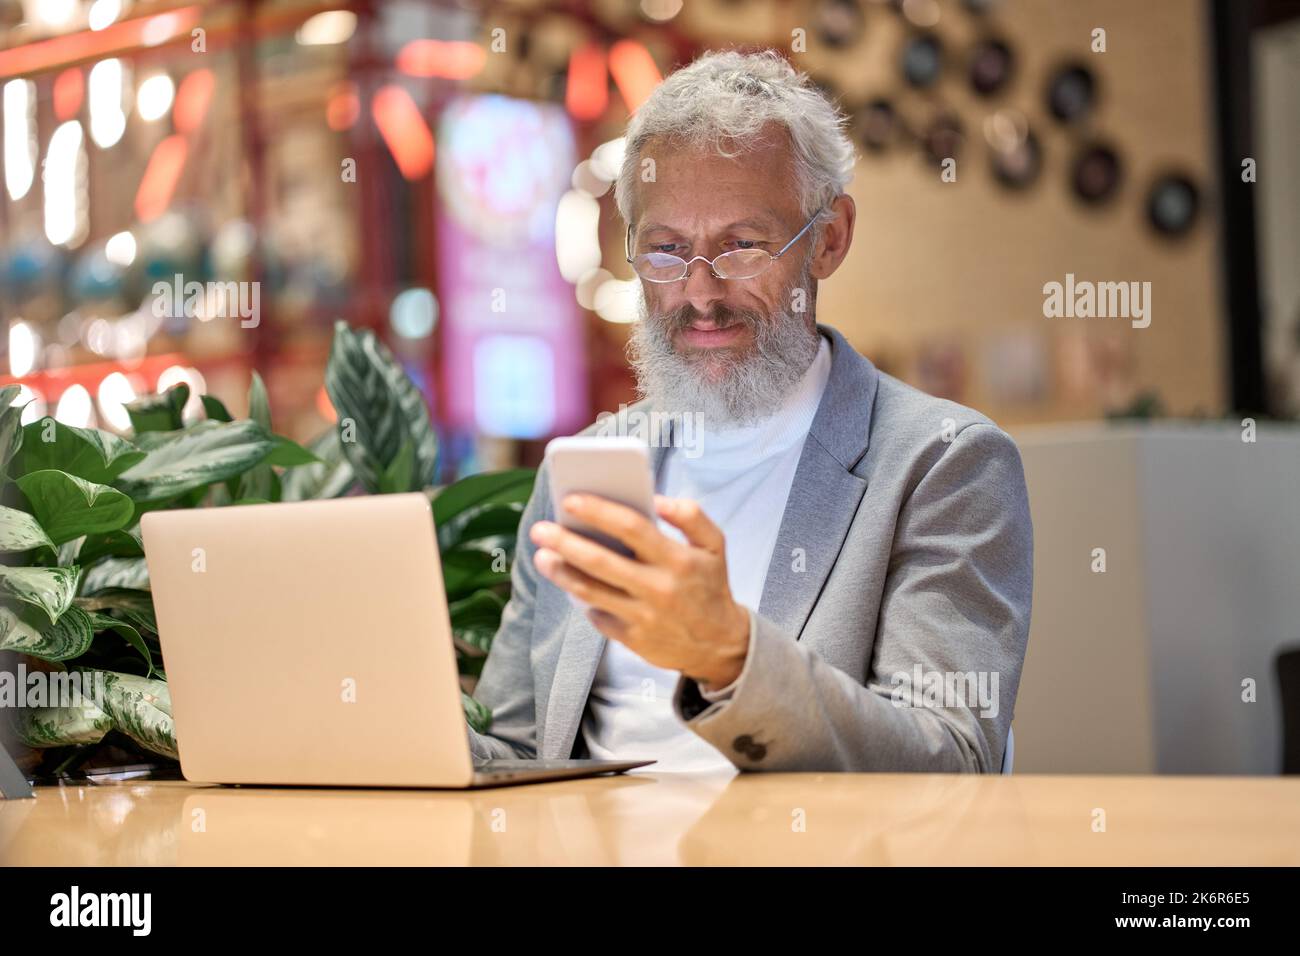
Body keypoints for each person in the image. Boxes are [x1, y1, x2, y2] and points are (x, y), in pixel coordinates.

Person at [466, 49, 1033, 772]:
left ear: (829, 240)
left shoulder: (943, 464)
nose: (700, 294)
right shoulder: (586, 470)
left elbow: (952, 762)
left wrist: (728, 655)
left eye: (742, 247)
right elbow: (518, 750)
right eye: (666, 250)